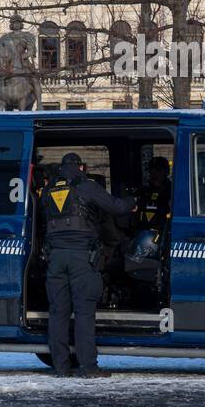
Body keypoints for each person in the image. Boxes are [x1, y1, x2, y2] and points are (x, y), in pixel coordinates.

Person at [40, 152, 135, 378]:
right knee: (83, 313)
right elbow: (118, 207)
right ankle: (88, 367)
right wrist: (133, 202)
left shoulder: (47, 191)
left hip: (55, 258)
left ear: (62, 169)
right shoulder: (87, 186)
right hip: (81, 257)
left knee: (58, 313)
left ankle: (61, 367)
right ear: (81, 168)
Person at [135, 156, 172, 236]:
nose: (154, 174)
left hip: (163, 236)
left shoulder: (172, 192)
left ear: (167, 172)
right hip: (141, 235)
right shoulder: (142, 191)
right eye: (151, 171)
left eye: (158, 170)